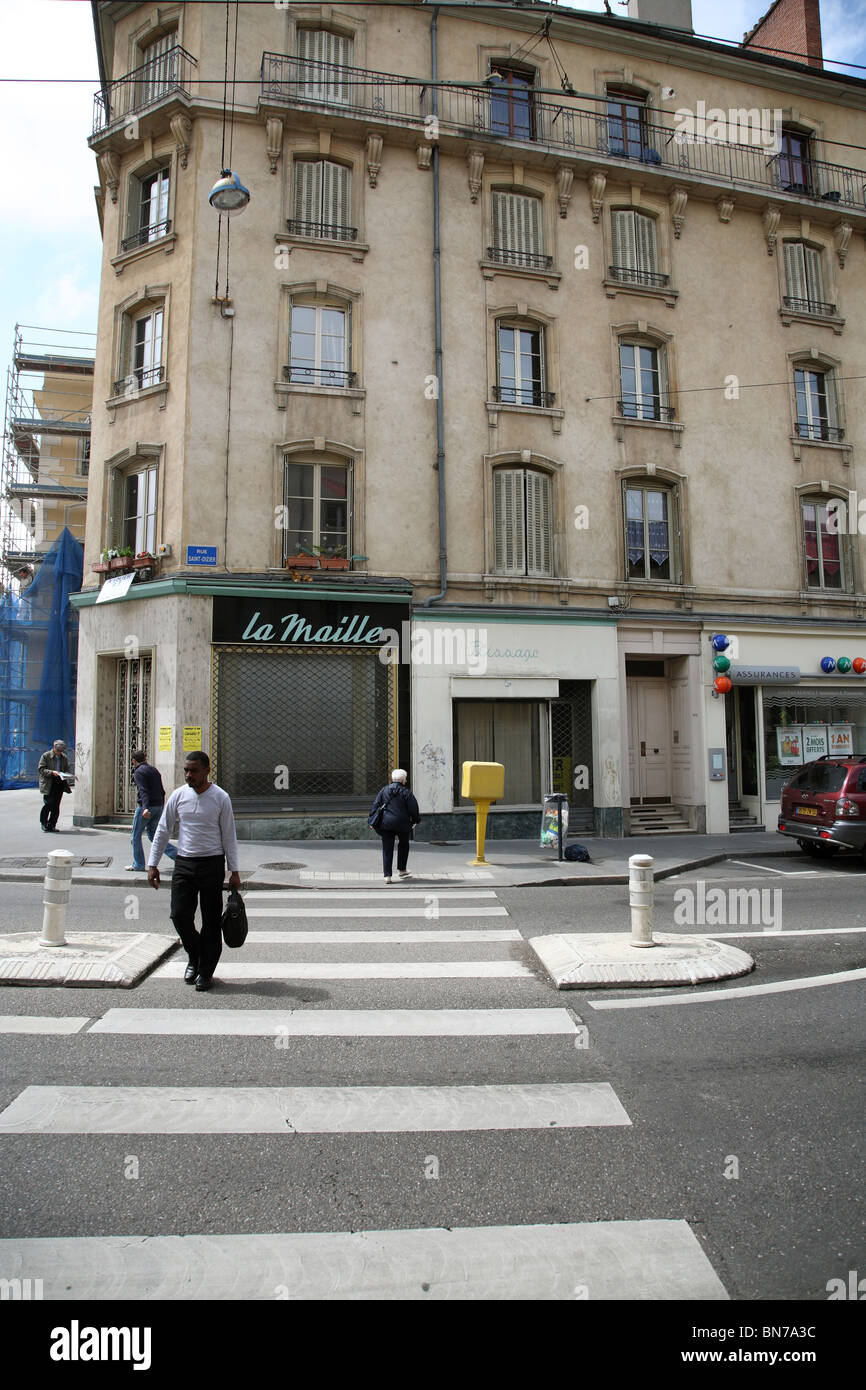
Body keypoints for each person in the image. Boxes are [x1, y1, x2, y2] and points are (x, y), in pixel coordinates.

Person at [147, 750, 241, 991]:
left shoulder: (220, 797)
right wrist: (152, 864)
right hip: (184, 863)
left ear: (207, 770)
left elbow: (229, 835)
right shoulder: (179, 796)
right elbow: (163, 830)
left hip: (211, 863)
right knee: (179, 915)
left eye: (194, 771)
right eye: (186, 770)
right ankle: (195, 954)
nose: (189, 775)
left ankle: (206, 971)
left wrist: (234, 871)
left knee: (211, 921)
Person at [126, 750, 178, 872]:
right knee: (155, 836)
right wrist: (161, 806)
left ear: (134, 761)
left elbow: (143, 791)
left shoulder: (138, 772)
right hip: (158, 806)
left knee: (135, 836)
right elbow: (162, 790)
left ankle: (138, 864)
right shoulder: (154, 770)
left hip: (147, 808)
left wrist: (145, 808)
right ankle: (178, 856)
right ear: (145, 758)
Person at [369, 768, 421, 884]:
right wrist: (417, 820)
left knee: (387, 849)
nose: (405, 781)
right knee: (403, 845)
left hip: (386, 823)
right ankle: (402, 870)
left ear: (392, 779)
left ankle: (387, 876)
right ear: (403, 780)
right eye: (405, 779)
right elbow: (413, 808)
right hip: (403, 824)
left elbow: (375, 805)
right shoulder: (406, 792)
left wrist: (371, 820)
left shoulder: (384, 790)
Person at [37, 740, 70, 832]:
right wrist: (52, 772)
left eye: (61, 751)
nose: (60, 752)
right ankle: (44, 823)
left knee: (56, 805)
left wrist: (66, 774)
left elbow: (66, 768)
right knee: (49, 803)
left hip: (59, 782)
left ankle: (52, 824)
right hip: (49, 782)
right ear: (54, 747)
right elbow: (41, 769)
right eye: (58, 750)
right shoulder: (46, 756)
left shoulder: (64, 757)